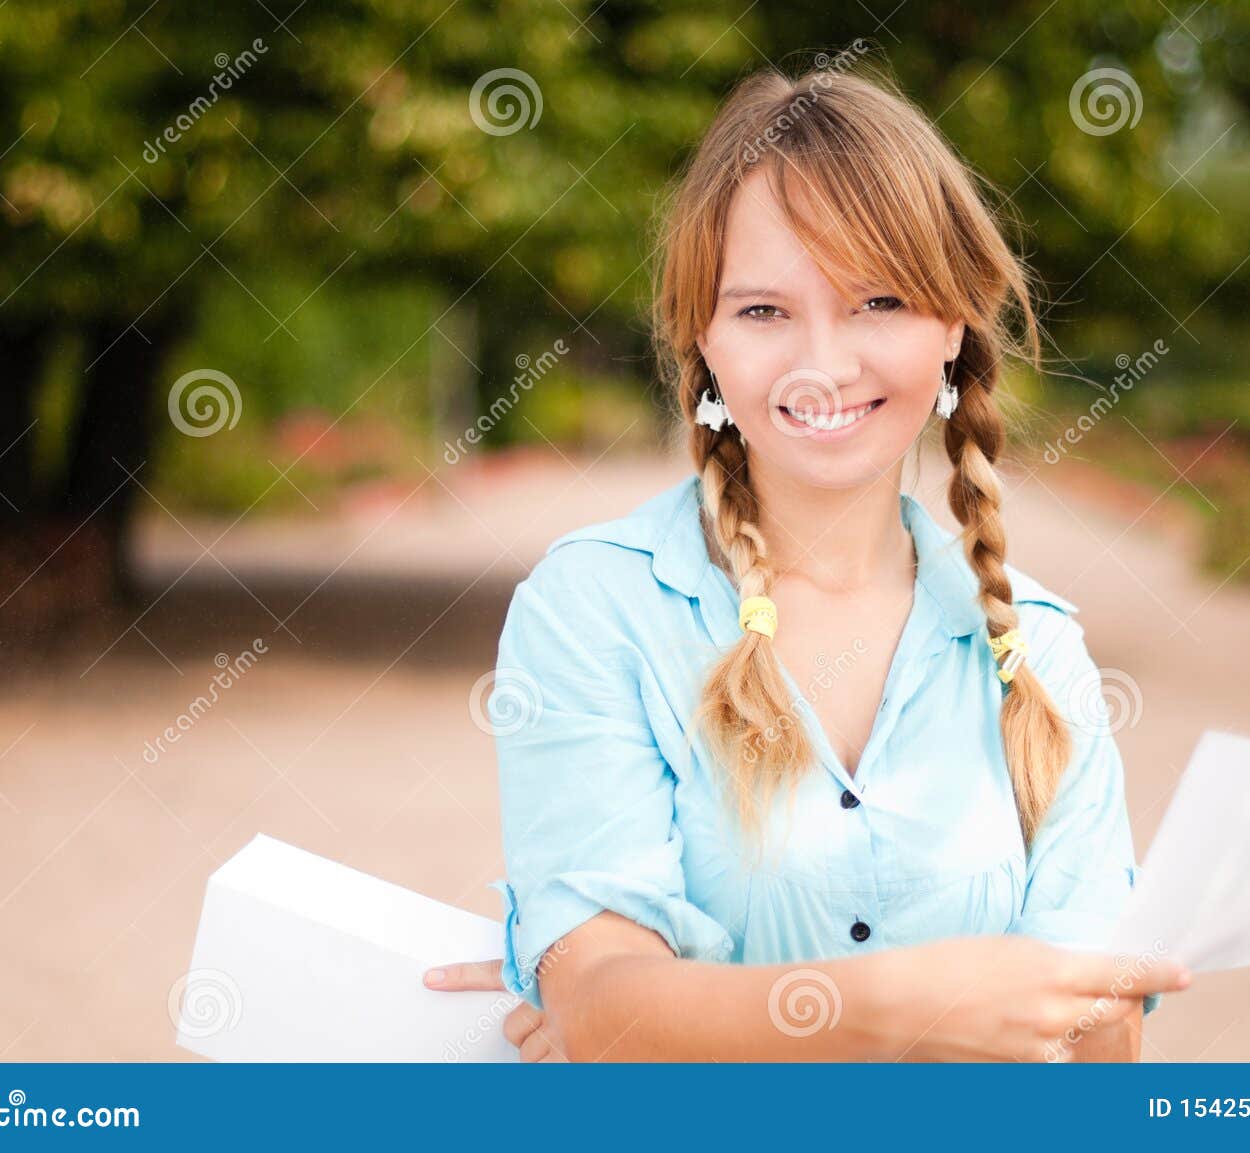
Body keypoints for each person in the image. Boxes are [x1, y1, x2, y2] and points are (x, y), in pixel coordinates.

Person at [424, 61, 1189, 1061]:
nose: (822, 362)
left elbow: (1096, 1057)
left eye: (877, 301)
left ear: (953, 324)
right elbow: (608, 1009)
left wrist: (692, 1014)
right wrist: (911, 1007)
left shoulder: (1040, 650)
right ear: (702, 339)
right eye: (761, 311)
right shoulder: (593, 606)